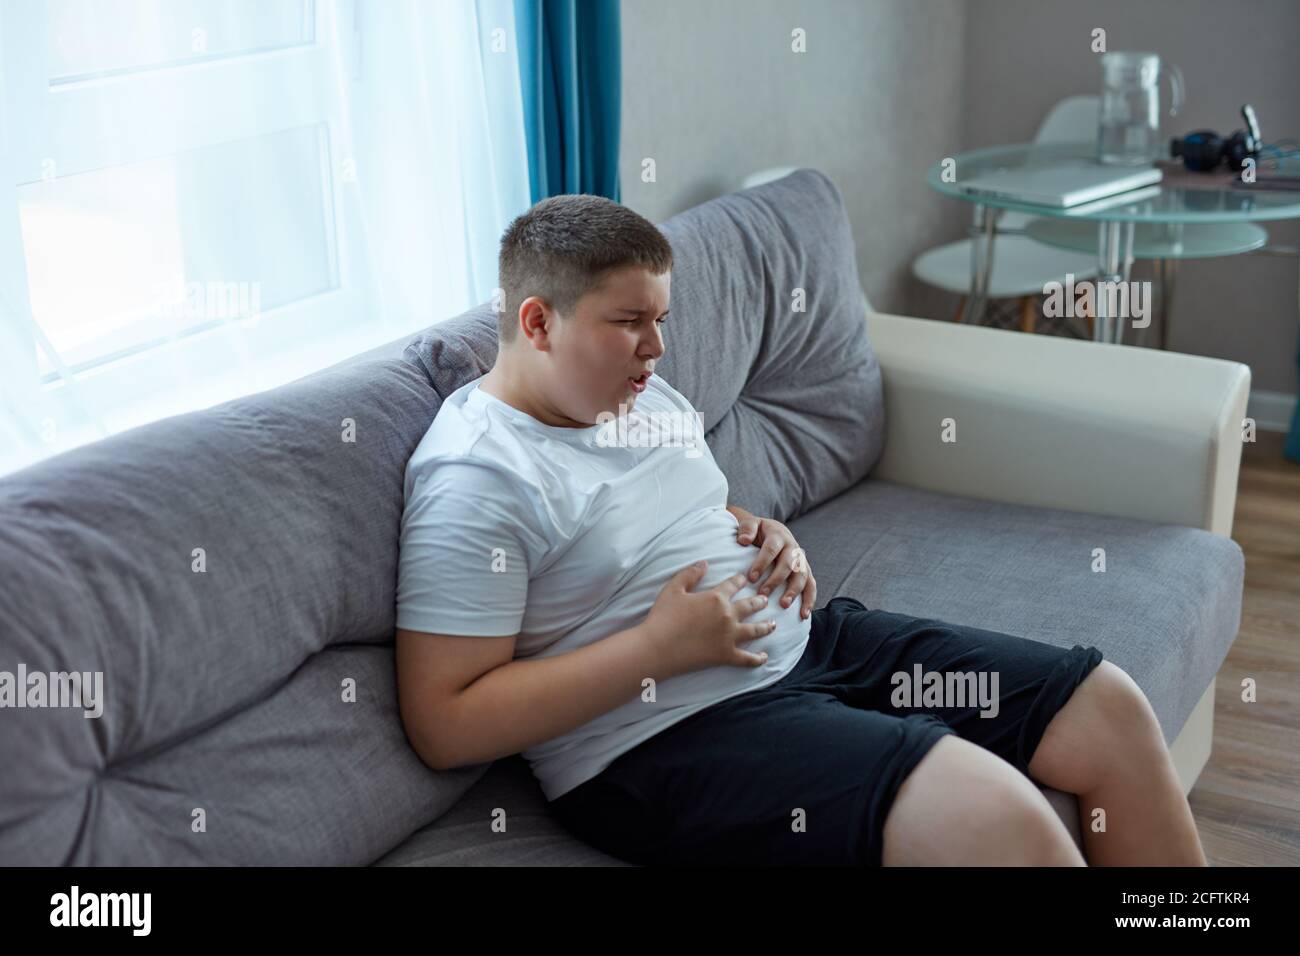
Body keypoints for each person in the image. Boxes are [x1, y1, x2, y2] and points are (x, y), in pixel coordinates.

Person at [393, 193, 1207, 867]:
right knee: (1008, 823)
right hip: (664, 737)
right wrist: (656, 652)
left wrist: (760, 528)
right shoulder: (478, 477)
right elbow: (444, 723)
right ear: (537, 323)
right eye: (630, 322)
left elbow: (672, 511)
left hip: (810, 643)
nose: (657, 348)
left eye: (663, 319)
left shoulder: (631, 394)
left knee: (1108, 709)